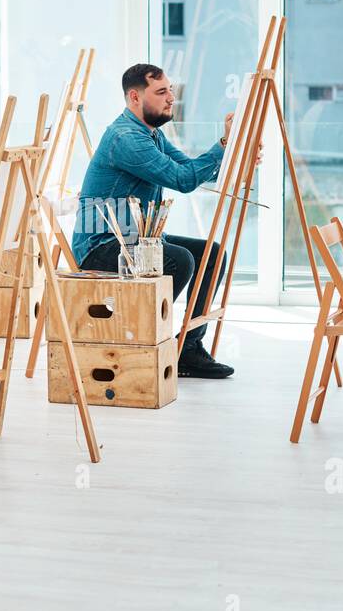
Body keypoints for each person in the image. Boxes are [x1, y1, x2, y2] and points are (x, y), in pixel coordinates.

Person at [72, 63, 250, 380]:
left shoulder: (150, 134)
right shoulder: (127, 139)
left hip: (133, 241)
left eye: (170, 89)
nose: (171, 97)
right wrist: (223, 145)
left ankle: (189, 349)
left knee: (212, 254)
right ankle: (149, 342)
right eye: (161, 91)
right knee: (179, 259)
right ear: (134, 97)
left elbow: (189, 168)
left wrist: (234, 150)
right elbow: (182, 179)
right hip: (102, 246)